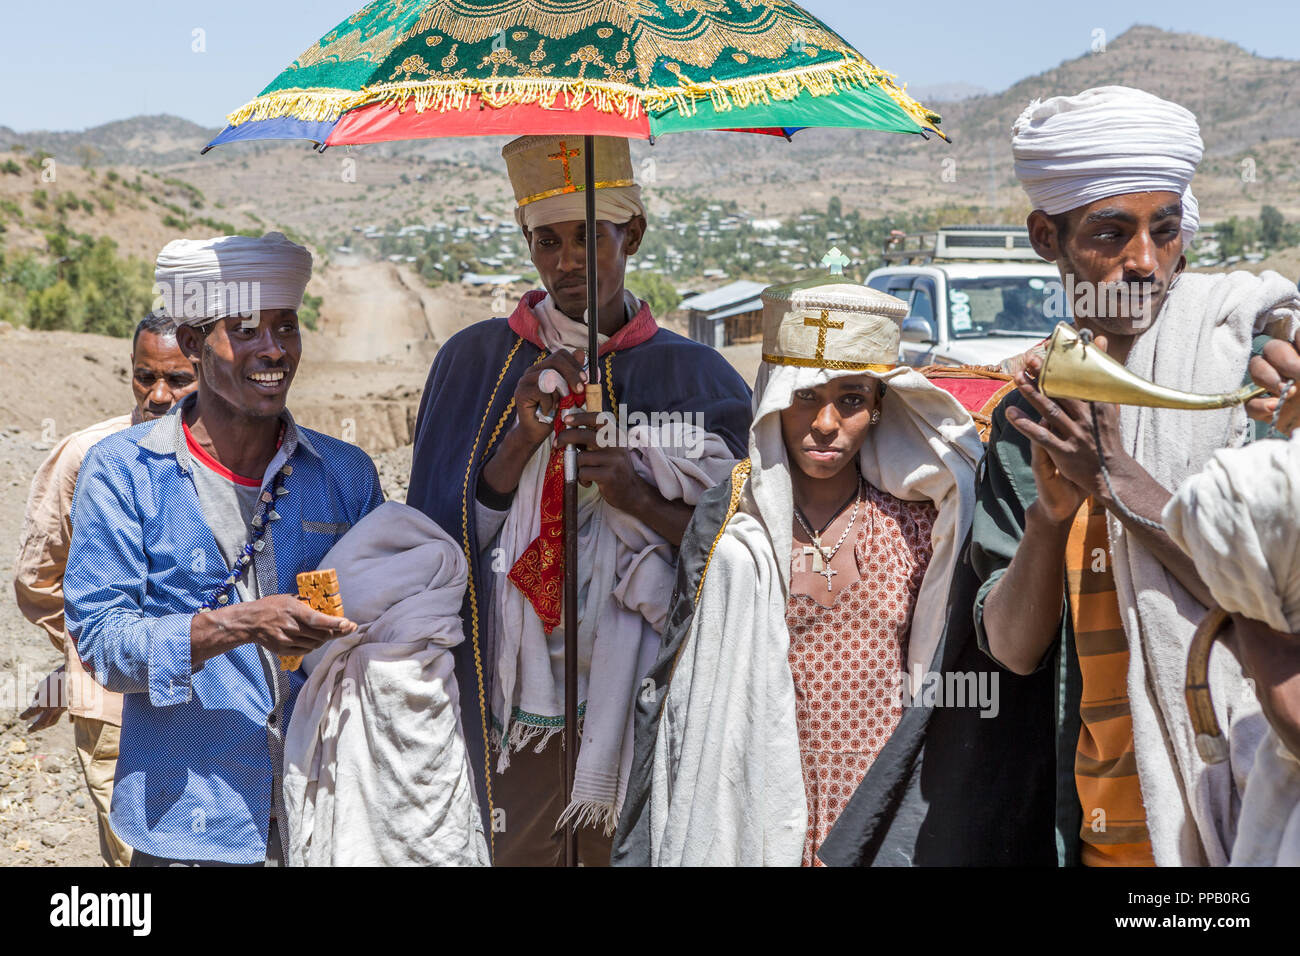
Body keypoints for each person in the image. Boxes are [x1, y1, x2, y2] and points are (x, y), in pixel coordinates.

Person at [612, 271, 1055, 866]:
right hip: (760, 808)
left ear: (878, 408)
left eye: (850, 400)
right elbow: (696, 693)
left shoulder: (920, 527)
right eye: (805, 399)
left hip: (879, 812)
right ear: (774, 402)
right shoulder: (734, 529)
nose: (825, 424)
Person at [972, 86, 1300, 866]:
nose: (1143, 262)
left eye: (1165, 229)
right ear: (1046, 235)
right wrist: (1052, 518)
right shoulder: (1031, 417)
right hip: (1095, 837)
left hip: (1231, 826)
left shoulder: (1242, 388)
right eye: (1111, 233)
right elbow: (1014, 650)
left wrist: (1114, 479)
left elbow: (1269, 606)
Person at [406, 135, 751, 865]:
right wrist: (519, 444)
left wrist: (631, 492)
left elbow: (739, 552)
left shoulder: (697, 378)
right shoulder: (474, 363)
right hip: (511, 699)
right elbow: (439, 536)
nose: (565, 262)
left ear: (631, 233)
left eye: (586, 238)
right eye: (546, 242)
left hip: (644, 691)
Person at [64, 232, 384, 866]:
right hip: (187, 827)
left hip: (323, 816)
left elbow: (385, 620)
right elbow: (104, 645)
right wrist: (237, 624)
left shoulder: (345, 475)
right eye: (245, 330)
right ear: (192, 344)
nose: (273, 349)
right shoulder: (123, 472)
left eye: (286, 328)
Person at [14, 312, 196, 866]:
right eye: (145, 377)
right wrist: (83, 651)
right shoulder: (85, 455)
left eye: (179, 379)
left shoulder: (240, 461)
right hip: (116, 713)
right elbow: (39, 577)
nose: (159, 395)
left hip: (214, 710)